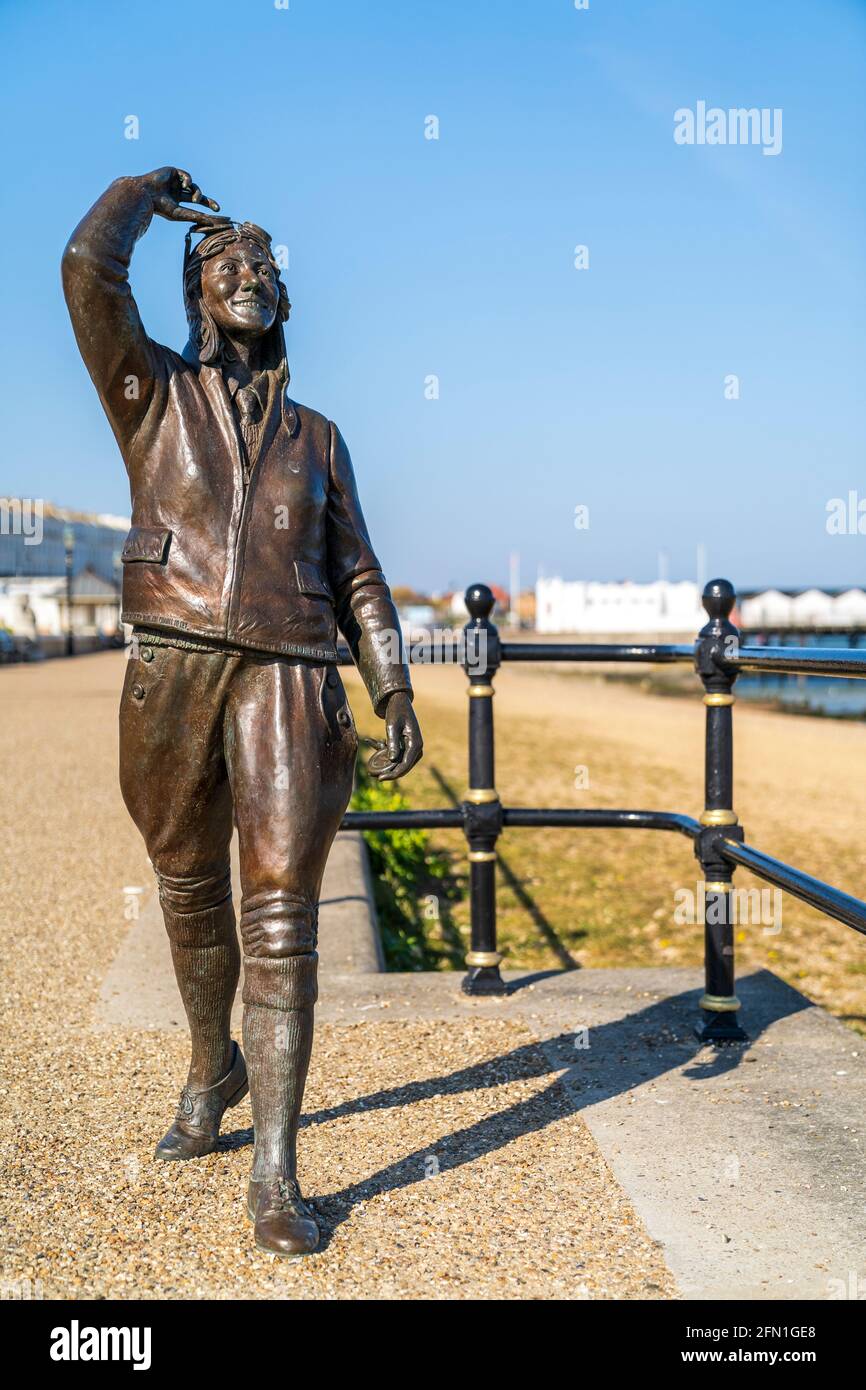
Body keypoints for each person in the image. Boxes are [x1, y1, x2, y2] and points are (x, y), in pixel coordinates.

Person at [63, 167, 423, 1258]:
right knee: (186, 885)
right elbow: (86, 269)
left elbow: (357, 569)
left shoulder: (319, 438)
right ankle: (209, 1063)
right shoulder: (149, 394)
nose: (252, 277)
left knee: (280, 915)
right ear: (195, 295)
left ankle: (276, 1167)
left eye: (264, 265)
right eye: (227, 264)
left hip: (289, 673)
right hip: (171, 665)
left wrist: (390, 677)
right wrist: (144, 189)